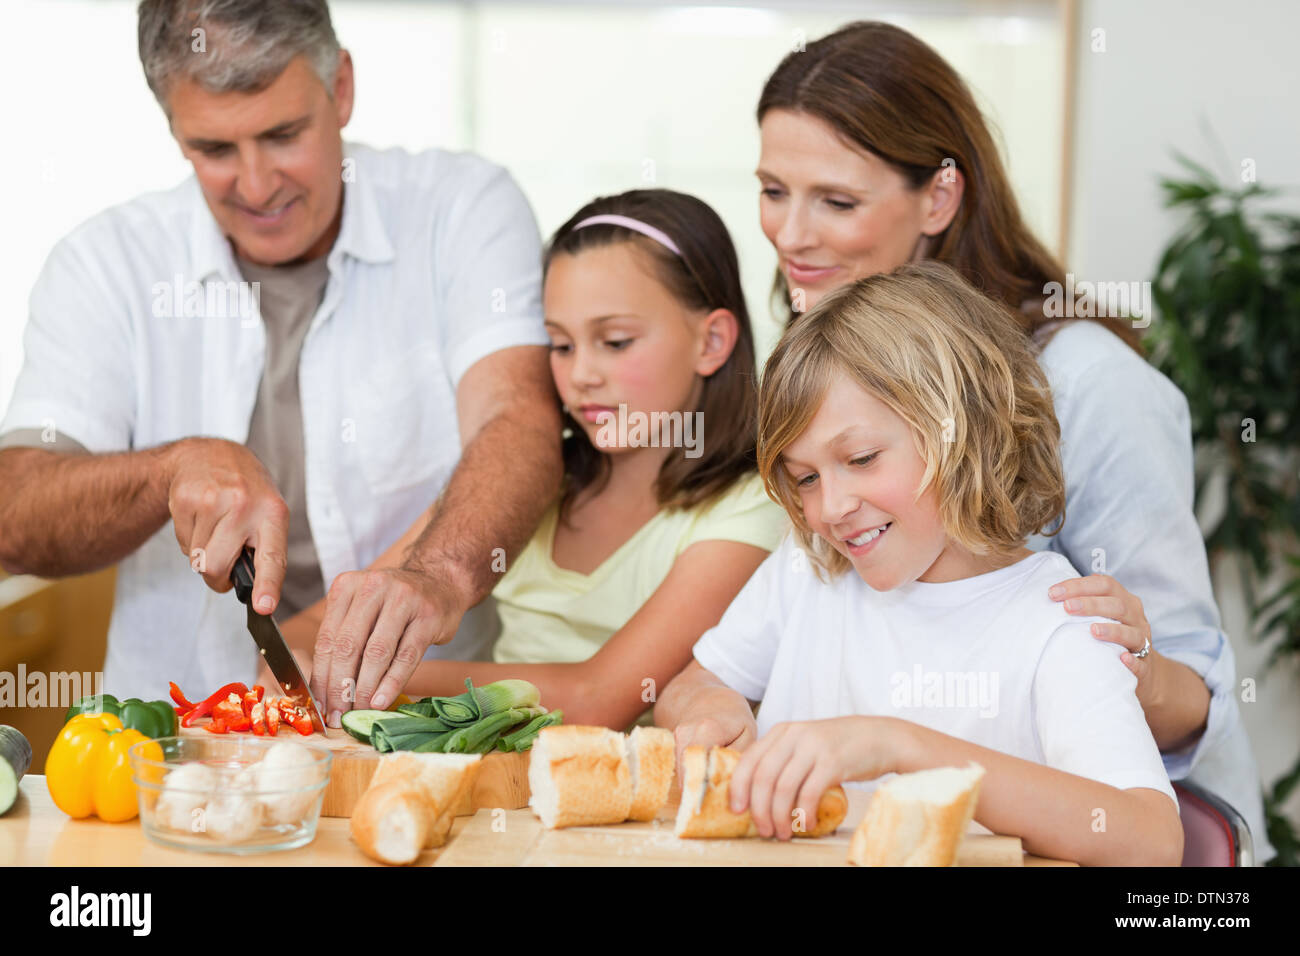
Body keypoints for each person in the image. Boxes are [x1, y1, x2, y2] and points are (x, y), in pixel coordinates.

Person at [748, 19, 1270, 861]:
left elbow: (1193, 702)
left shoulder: (1092, 387)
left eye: (836, 201)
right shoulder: (829, 352)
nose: (791, 235)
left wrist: (1119, 658)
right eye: (773, 190)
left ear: (940, 199)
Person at [0, 0, 561, 722]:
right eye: (215, 150)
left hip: (423, 725)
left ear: (343, 89)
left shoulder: (462, 209)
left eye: (284, 134)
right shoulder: (102, 265)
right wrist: (168, 471)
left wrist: (436, 576)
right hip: (175, 749)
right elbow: (14, 509)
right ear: (173, 128)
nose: (259, 185)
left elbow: (518, 419)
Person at [658, 262, 1183, 866]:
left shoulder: (1060, 620)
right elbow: (694, 684)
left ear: (965, 432)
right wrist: (709, 709)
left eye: (860, 458)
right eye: (804, 477)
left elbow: (1151, 842)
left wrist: (900, 746)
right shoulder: (810, 569)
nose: (830, 508)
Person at [402, 190, 788, 728]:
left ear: (713, 341)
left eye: (615, 341)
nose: (581, 374)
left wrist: (371, 676)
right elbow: (371, 599)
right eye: (560, 345)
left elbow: (594, 698)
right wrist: (305, 647)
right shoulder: (531, 479)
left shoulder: (753, 508)